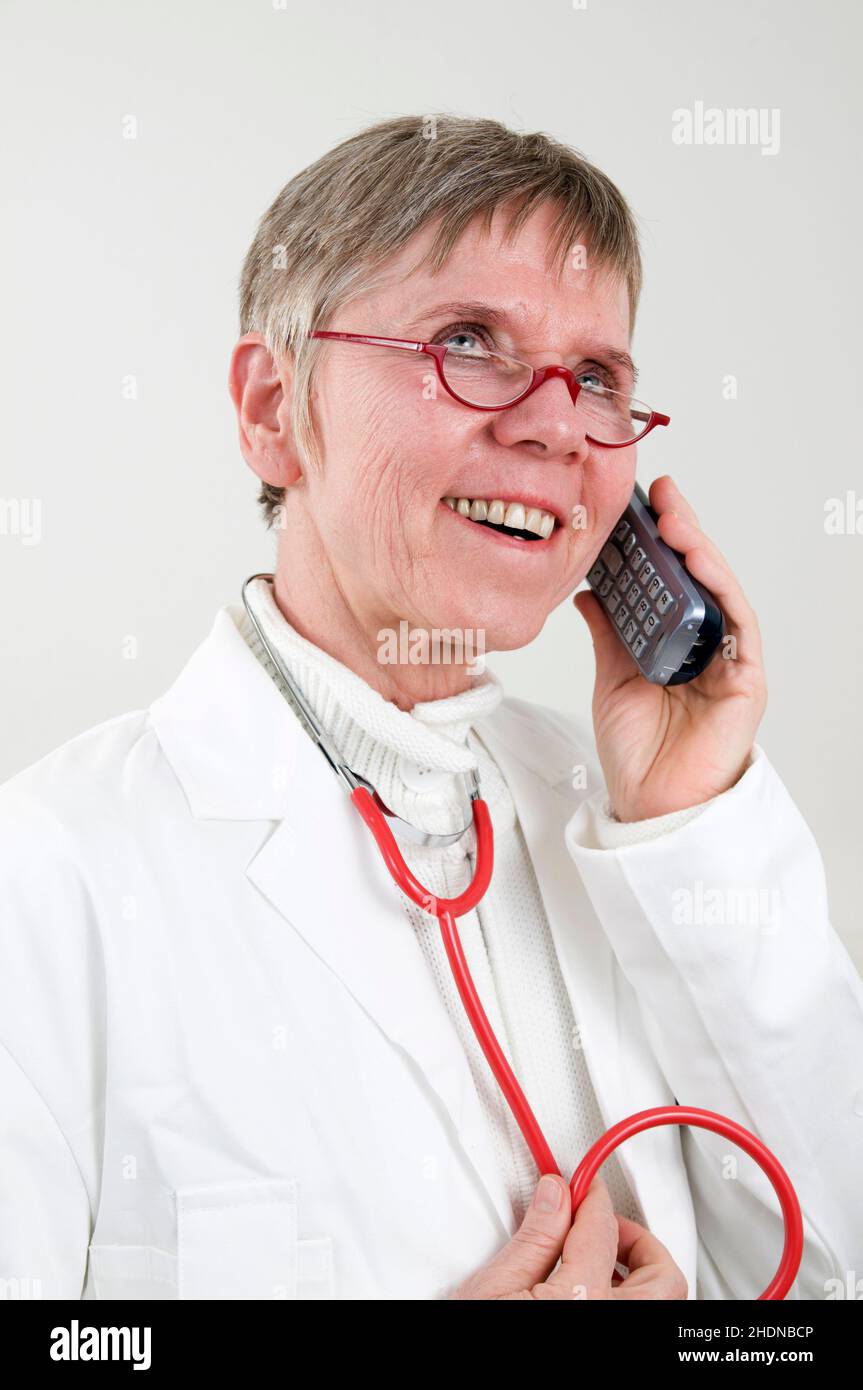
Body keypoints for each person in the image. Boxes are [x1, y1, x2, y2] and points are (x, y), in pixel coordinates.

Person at [1, 114, 861, 1302]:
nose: (554, 424)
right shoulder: (44, 879)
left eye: (598, 377)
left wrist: (686, 820)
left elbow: (817, 1281)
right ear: (271, 408)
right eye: (469, 341)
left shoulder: (628, 819)